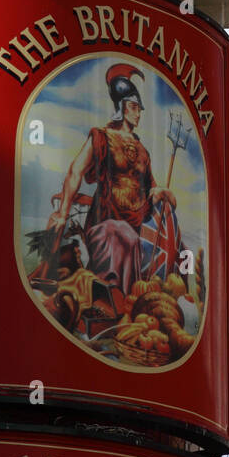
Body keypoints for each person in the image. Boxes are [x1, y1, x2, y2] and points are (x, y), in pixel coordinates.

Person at [47, 64, 176, 296]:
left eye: (140, 109)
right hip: (104, 222)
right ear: (121, 108)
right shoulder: (102, 137)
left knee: (129, 239)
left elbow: (153, 190)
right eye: (134, 107)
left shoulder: (143, 151)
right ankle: (104, 297)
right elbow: (75, 172)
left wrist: (165, 193)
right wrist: (62, 213)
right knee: (119, 234)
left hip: (134, 224)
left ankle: (118, 302)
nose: (138, 113)